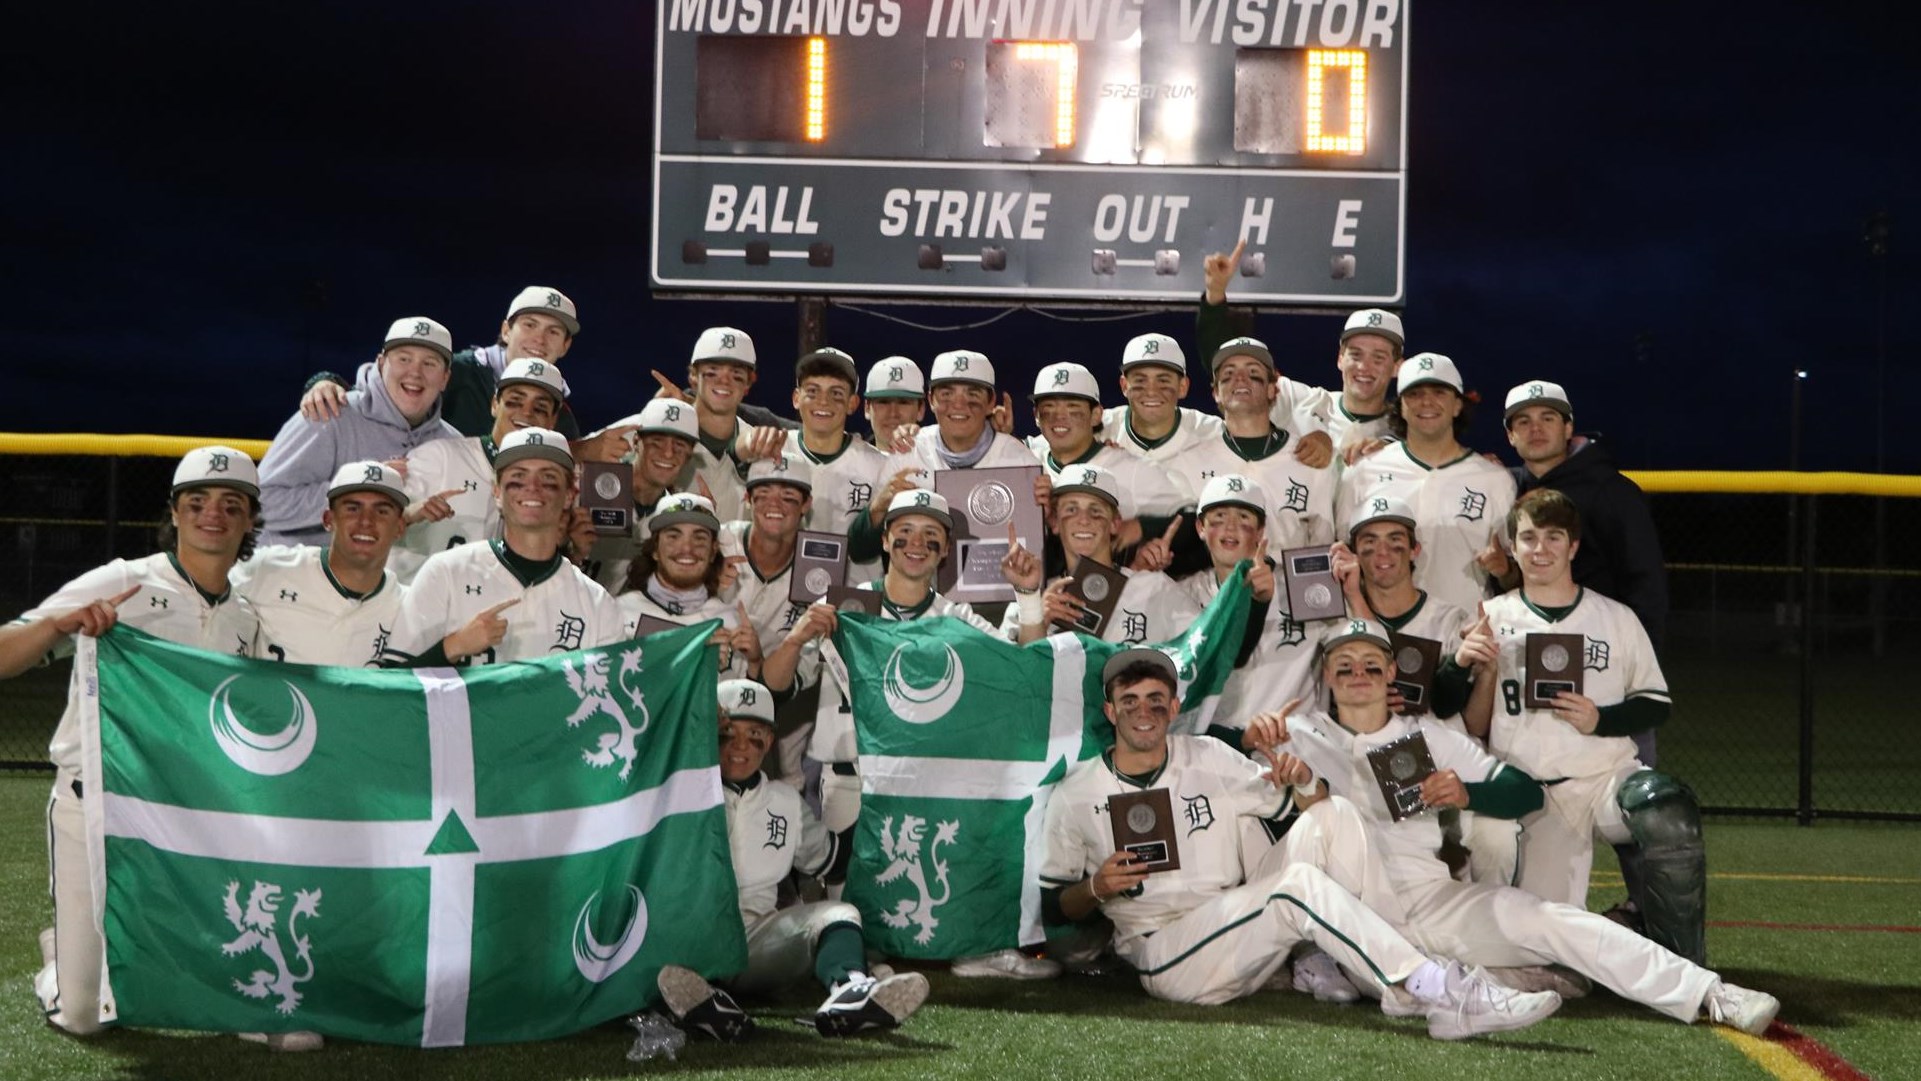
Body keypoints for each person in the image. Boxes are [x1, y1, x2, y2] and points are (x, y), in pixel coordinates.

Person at [1263, 618, 1779, 1035]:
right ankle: (1416, 981)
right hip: (1354, 913)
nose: (1358, 674)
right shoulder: (1299, 733)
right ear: (1326, 675)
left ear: (1391, 671)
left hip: (1429, 897)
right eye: (1345, 665)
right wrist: (1248, 736)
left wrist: (1468, 793)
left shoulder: (1425, 736)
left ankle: (1710, 994)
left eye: (1371, 666)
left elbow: (1524, 790)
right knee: (1336, 828)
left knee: (1552, 922)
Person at [1035, 648, 1561, 1039]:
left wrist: (1304, 779)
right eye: (1128, 701)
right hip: (1166, 952)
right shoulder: (1078, 792)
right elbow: (1053, 905)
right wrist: (1097, 886)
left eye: (1155, 699)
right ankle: (1428, 987)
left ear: (1174, 707)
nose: (1142, 711)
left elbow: (1307, 813)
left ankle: (1398, 972)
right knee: (1295, 888)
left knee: (1337, 813)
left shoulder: (1208, 756)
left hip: (1237, 925)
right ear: (1110, 712)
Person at [0, 448, 274, 1043]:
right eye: (196, 502)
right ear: (173, 513)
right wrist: (60, 625)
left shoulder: (246, 619)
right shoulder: (125, 581)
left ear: (251, 520)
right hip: (93, 806)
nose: (213, 515)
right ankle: (60, 961)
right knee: (84, 1017)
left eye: (233, 505)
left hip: (184, 817)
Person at [761, 489, 1057, 979]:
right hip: (851, 780)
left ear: (944, 552)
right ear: (885, 539)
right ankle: (862, 968)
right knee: (853, 915)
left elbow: (1022, 674)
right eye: (906, 532)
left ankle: (975, 949)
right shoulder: (842, 608)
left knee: (947, 874)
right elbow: (773, 685)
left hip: (929, 788)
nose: (916, 544)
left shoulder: (954, 619)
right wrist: (797, 637)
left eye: (931, 537)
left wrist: (1027, 596)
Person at [1462, 488, 1706, 965]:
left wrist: (1603, 719)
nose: (1541, 548)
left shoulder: (1615, 618)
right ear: (1512, 548)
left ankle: (1684, 962)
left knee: (1666, 810)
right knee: (1541, 948)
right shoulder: (1493, 618)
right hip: (1533, 792)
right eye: (1529, 537)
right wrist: (1476, 666)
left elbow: (1655, 705)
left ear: (1573, 547)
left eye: (1554, 537)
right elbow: (1473, 722)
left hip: (1603, 778)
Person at [656, 679, 931, 1041]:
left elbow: (831, 860)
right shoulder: (677, 791)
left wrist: (882, 811)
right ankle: (704, 1004)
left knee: (838, 915)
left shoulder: (785, 801)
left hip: (754, 942)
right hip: (690, 937)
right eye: (726, 732)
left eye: (754, 733)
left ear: (769, 741)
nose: (740, 745)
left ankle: (851, 992)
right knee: (663, 965)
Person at [1328, 493, 1516, 884]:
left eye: (1395, 541)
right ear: (1353, 554)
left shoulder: (1449, 619)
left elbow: (1474, 724)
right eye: (1370, 543)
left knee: (1498, 838)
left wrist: (1487, 670)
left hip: (1446, 770)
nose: (1384, 552)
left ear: (1414, 549)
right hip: (1366, 777)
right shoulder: (1338, 623)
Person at [381, 428, 622, 667]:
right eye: (519, 476)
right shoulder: (445, 572)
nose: (532, 486)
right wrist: (453, 647)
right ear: (497, 492)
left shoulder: (596, 604)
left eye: (548, 477)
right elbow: (392, 685)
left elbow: (608, 698)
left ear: (570, 495)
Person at [1337, 354, 1515, 618]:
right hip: (1380, 634)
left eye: (1439, 392)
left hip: (1463, 633)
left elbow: (1515, 576)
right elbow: (1342, 553)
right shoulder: (1364, 471)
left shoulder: (1494, 480)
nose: (1427, 402)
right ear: (1401, 407)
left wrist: (1506, 570)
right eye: (1415, 393)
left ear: (1457, 405)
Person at [259, 317, 460, 546]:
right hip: (295, 572)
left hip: (397, 579)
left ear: (445, 378)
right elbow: (261, 504)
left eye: (429, 363)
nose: (415, 373)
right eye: (404, 359)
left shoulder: (453, 445)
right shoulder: (329, 414)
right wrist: (357, 486)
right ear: (381, 363)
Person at [1198, 240, 1403, 461]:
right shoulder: (1301, 401)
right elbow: (1232, 364)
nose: (1364, 366)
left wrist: (1392, 450)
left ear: (1397, 367)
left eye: (1378, 357)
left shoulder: (1406, 431)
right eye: (1356, 354)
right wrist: (1215, 295)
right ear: (1340, 359)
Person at [300, 286, 585, 439]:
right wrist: (326, 382)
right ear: (506, 330)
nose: (540, 339)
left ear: (566, 345)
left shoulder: (561, 410)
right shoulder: (460, 372)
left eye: (553, 331)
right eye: (530, 325)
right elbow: (381, 389)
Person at [388, 357, 568, 582]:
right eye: (515, 401)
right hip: (407, 602)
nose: (527, 412)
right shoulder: (441, 456)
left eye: (540, 407)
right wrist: (412, 513)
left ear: (553, 420)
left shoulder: (542, 493)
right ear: (495, 404)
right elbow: (375, 524)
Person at [1179, 475, 1329, 737]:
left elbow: (1353, 639)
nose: (1230, 528)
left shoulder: (1303, 583)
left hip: (1294, 746)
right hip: (1219, 749)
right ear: (1200, 528)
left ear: (1261, 531)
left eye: (1244, 518)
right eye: (1219, 517)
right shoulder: (1181, 596)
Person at [1162, 337, 1339, 559]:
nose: (1240, 379)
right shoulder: (1188, 463)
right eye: (1228, 375)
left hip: (1285, 592)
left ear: (1272, 389)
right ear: (1216, 393)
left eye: (1253, 372)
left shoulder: (1310, 459)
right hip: (1213, 591)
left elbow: (1321, 550)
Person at [235, 461, 409, 666]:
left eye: (381, 511)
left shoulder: (406, 606)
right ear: (328, 519)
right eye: (353, 509)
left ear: (399, 527)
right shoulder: (269, 569)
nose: (366, 521)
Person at [1003, 465, 1200, 646]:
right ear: (1054, 522)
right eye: (1071, 509)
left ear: (1115, 523)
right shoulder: (1031, 597)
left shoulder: (1155, 588)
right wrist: (1036, 619)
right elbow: (1015, 677)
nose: (1083, 520)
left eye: (1095, 511)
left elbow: (1205, 648)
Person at [1098, 333, 1331, 472]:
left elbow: (1264, 432)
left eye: (1163, 380)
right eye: (1139, 380)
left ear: (1183, 387)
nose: (1151, 391)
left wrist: (1321, 436)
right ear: (1123, 385)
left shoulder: (1211, 431)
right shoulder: (1100, 428)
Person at [1024, 361, 1190, 520]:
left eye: (1072, 408)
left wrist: (1140, 530)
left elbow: (1186, 518)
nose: (1059, 417)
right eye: (1049, 409)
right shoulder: (1026, 462)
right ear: (1036, 416)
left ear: (1096, 415)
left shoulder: (1134, 469)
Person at [617, 492, 756, 681]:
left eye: (699, 538)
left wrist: (756, 662)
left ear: (714, 551)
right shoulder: (617, 612)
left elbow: (740, 705)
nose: (687, 549)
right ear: (655, 549)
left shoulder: (731, 624)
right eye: (673, 536)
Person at [576, 397, 703, 593]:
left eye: (679, 445)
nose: (668, 453)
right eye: (657, 442)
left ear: (690, 453)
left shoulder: (673, 518)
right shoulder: (591, 486)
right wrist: (568, 548)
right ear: (636, 442)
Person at [783, 347, 889, 582]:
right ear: (796, 398)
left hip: (854, 599)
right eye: (813, 391)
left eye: (836, 394)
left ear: (852, 403)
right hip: (782, 599)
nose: (824, 401)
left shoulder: (880, 466)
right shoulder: (774, 452)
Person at [675, 327, 790, 522]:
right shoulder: (656, 435)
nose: (724, 381)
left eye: (736, 374)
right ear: (693, 376)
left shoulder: (764, 446)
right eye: (712, 372)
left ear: (748, 384)